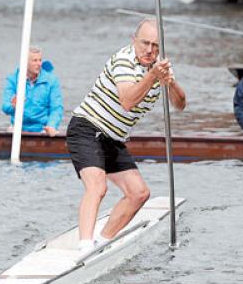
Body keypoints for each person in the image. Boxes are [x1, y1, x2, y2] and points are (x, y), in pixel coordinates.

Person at [66, 19, 187, 252]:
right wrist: (152, 77)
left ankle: (102, 242)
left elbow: (180, 105)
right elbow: (128, 101)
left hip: (114, 138)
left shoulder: (160, 66)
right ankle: (84, 246)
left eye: (155, 45)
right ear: (134, 41)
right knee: (98, 188)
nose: (149, 50)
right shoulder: (124, 60)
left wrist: (171, 84)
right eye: (144, 43)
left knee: (139, 194)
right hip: (87, 128)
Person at [1, 47, 64, 136]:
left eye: (40, 60)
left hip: (43, 128)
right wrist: (13, 106)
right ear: (25, 62)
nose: (39, 64)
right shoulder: (13, 80)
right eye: (35, 60)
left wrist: (52, 125)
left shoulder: (51, 81)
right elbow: (5, 107)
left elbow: (56, 108)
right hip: (18, 127)